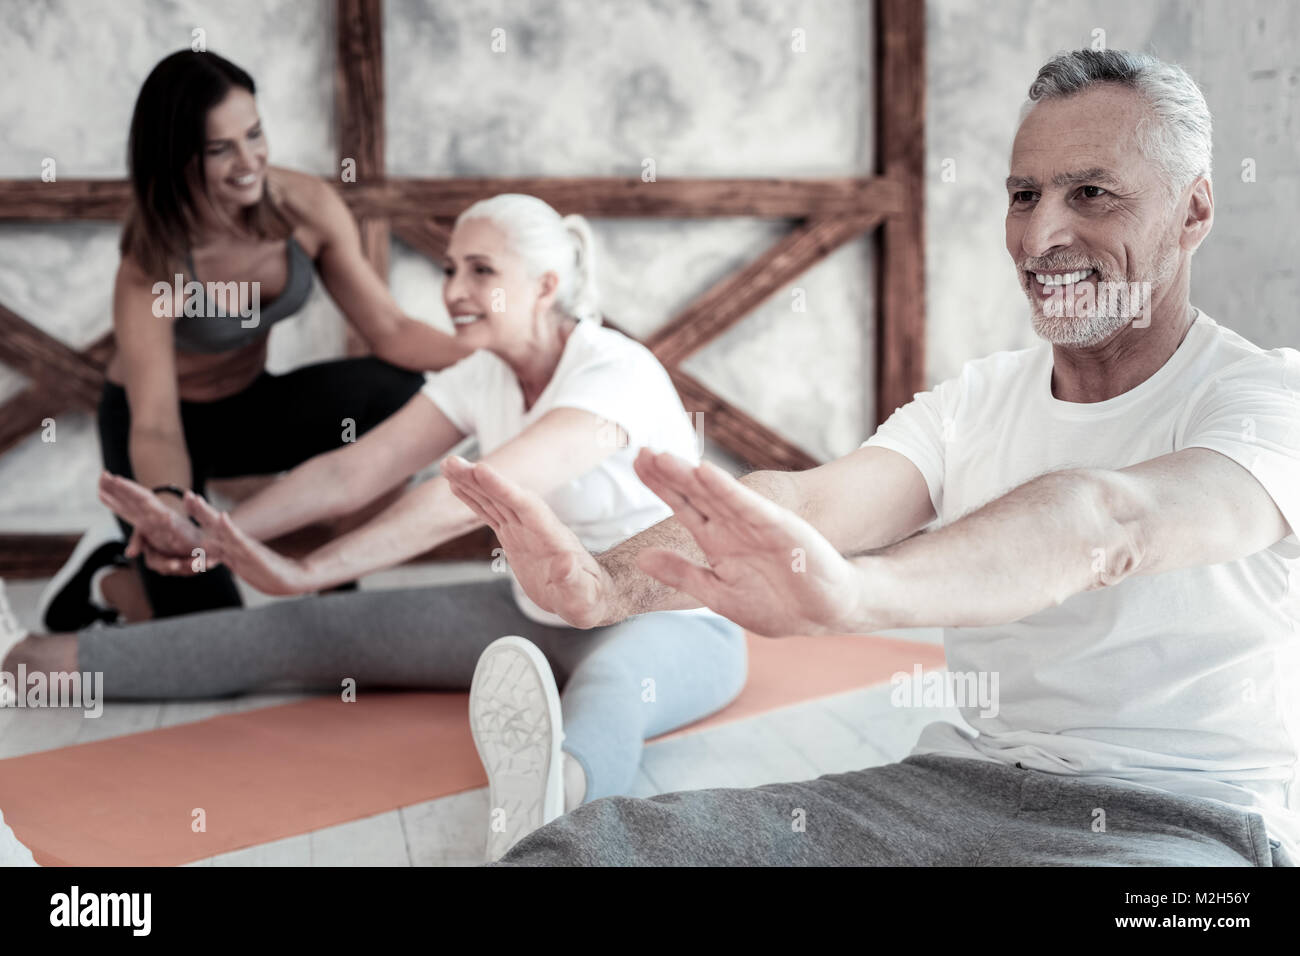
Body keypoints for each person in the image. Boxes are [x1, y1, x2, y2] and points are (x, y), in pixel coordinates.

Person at [441, 50, 1300, 866]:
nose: (1041, 236)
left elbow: (1111, 522)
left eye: (1091, 194)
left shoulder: (1267, 399)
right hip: (949, 793)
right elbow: (813, 504)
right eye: (1025, 194)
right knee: (575, 852)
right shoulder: (979, 399)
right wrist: (606, 585)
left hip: (1187, 826)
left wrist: (857, 595)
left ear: (1194, 211)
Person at [4, 194, 747, 861]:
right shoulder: (481, 375)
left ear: (545, 286)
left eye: (479, 270)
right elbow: (351, 472)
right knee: (301, 631)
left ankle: (543, 832)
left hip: (672, 620)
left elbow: (472, 497)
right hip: (536, 610)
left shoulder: (614, 372)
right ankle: (25, 660)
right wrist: (214, 534)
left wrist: (305, 569)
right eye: (450, 268)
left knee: (613, 684)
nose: (452, 291)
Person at [40, 48, 469, 630]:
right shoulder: (151, 262)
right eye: (220, 149)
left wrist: (505, 349)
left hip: (249, 410)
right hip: (158, 428)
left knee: (397, 391)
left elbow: (389, 330)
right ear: (178, 159)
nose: (249, 161)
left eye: (255, 134)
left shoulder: (307, 209)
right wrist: (169, 509)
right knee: (213, 632)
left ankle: (328, 572)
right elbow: (156, 422)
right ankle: (110, 578)